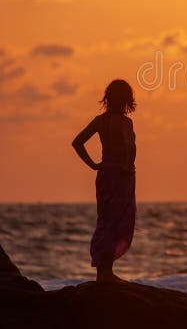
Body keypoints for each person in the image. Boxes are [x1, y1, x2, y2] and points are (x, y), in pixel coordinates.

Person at [72, 79, 137, 283]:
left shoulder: (100, 121)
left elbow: (77, 142)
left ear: (108, 98)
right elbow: (129, 147)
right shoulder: (126, 122)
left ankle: (103, 271)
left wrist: (93, 164)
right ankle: (105, 272)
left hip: (105, 173)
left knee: (105, 220)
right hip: (122, 175)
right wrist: (127, 166)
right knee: (120, 220)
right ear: (126, 99)